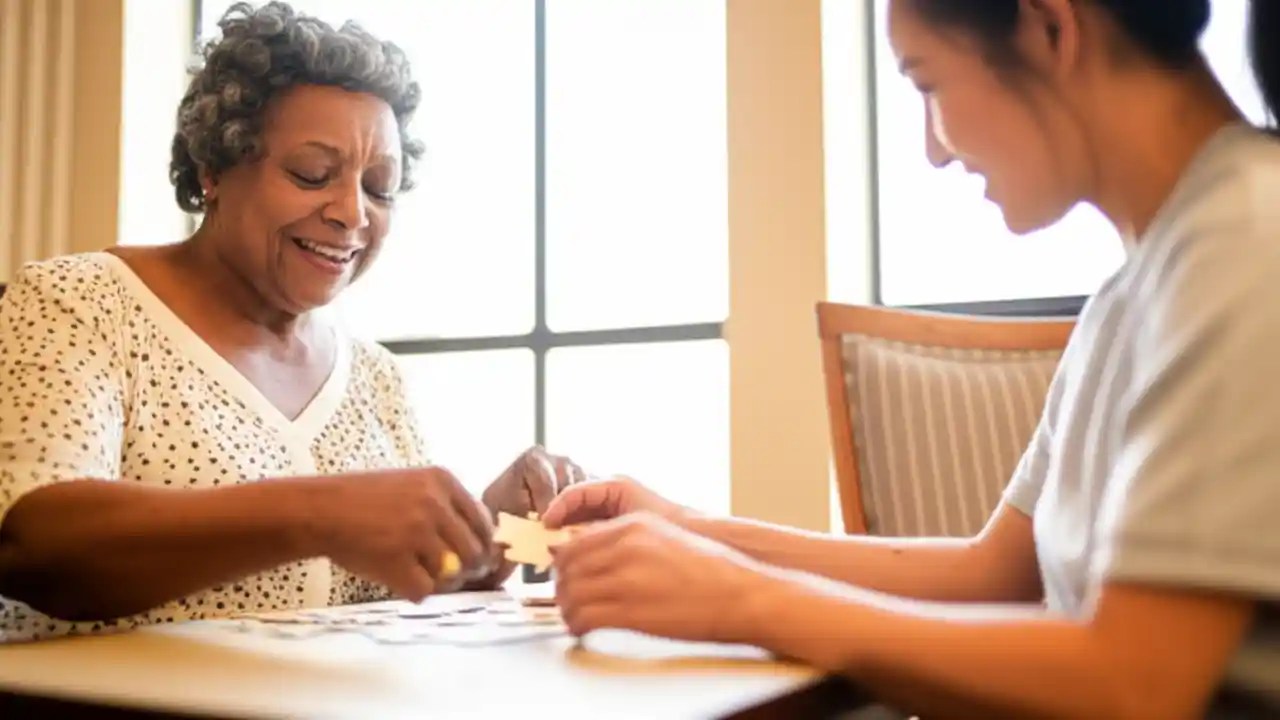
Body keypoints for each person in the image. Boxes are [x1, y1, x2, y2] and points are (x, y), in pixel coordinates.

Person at [546, 1, 1280, 717]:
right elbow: (991, 575)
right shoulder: (1143, 283)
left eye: (928, 82)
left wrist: (741, 601)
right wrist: (688, 531)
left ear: (1052, 27)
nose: (933, 148)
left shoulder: (1246, 242)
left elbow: (1135, 684)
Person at [0, 1, 582, 642]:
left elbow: (405, 583)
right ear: (213, 169)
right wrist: (319, 510)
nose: (353, 214)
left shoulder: (374, 377)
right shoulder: (80, 302)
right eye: (312, 174)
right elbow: (35, 543)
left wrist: (493, 533)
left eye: (380, 187)